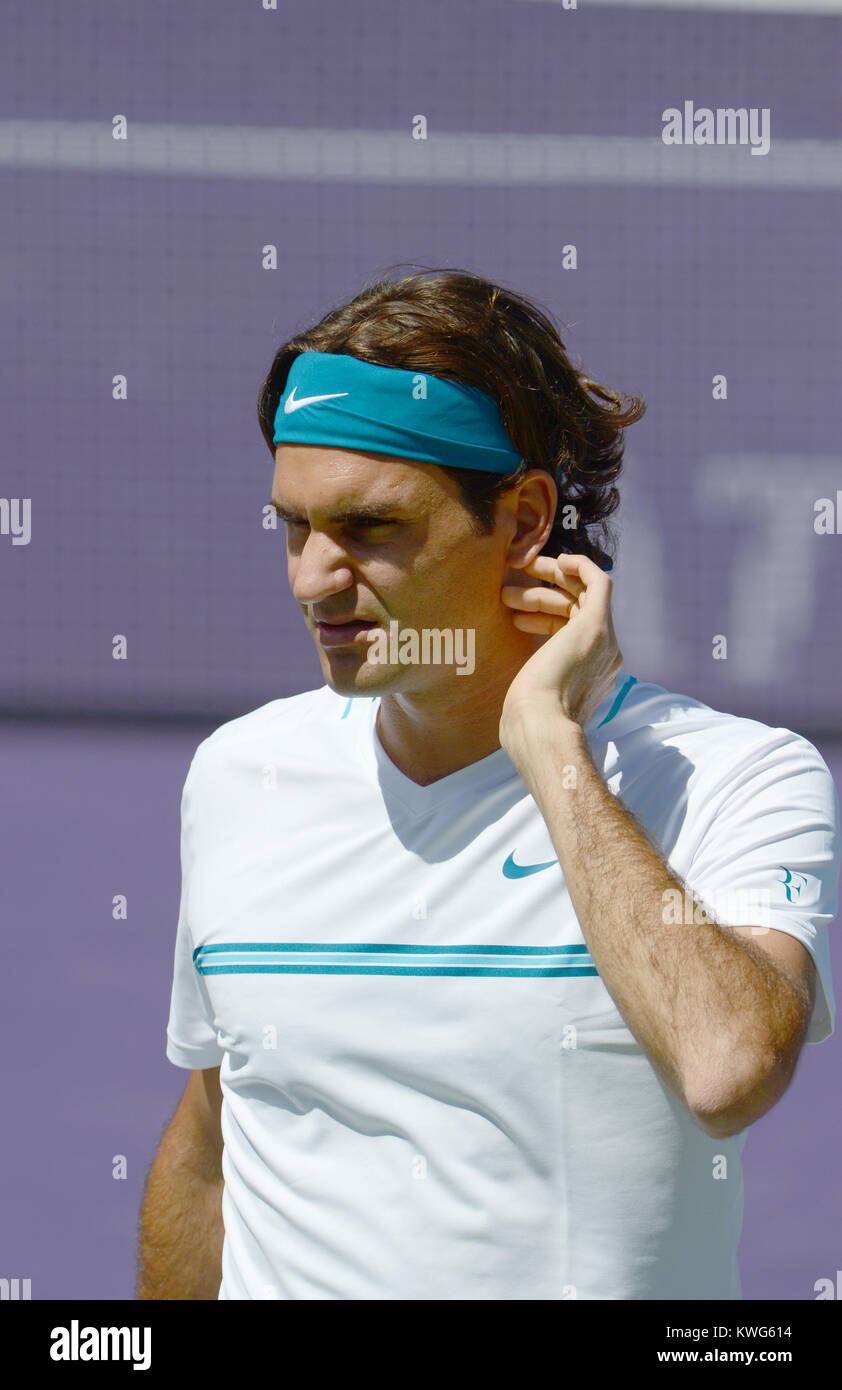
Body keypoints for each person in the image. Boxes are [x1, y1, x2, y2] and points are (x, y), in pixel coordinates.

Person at [138, 268, 838, 1301]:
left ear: (520, 521)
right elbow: (216, 1135)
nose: (310, 578)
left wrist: (548, 749)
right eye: (292, 525)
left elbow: (727, 1068)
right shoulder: (243, 774)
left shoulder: (736, 774)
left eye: (370, 527)